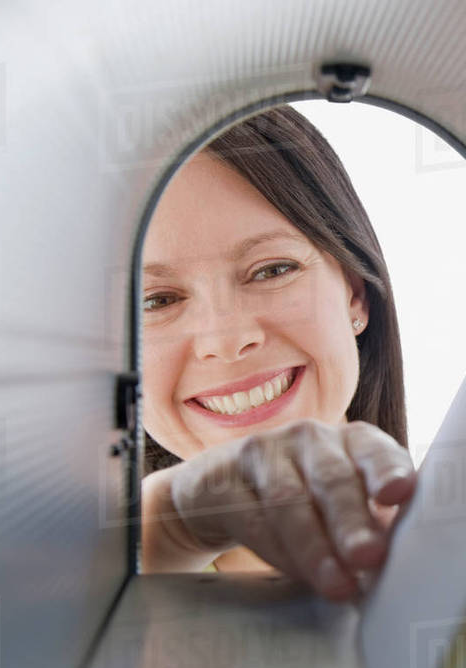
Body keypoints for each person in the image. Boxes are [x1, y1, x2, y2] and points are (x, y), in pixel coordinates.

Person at [138, 105, 417, 602]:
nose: (225, 340)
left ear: (354, 293)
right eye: (158, 301)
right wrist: (168, 526)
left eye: (272, 270)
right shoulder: (63, 590)